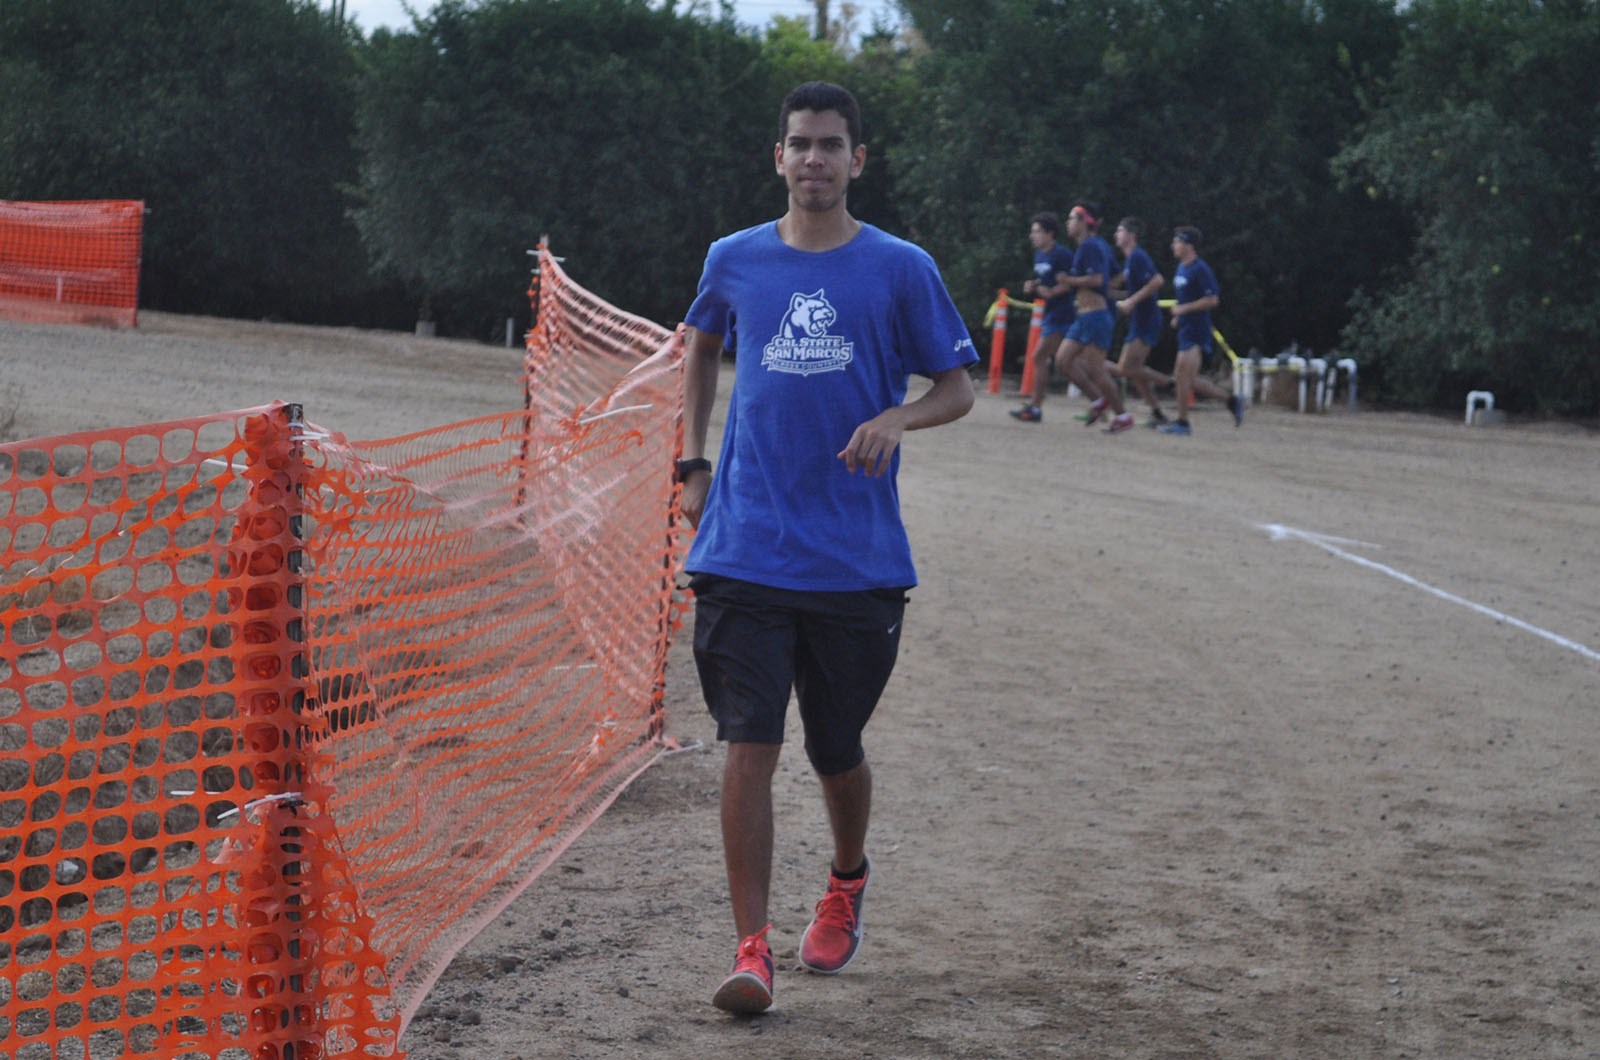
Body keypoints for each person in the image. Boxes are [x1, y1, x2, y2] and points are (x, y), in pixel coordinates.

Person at [678, 81, 977, 1016]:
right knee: (749, 742)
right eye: (800, 143)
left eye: (832, 144)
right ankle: (751, 950)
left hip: (856, 560)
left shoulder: (900, 268)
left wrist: (897, 417)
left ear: (858, 160)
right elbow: (699, 345)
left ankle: (846, 879)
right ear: (778, 157)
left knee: (834, 745)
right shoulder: (734, 258)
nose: (815, 158)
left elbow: (958, 387)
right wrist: (692, 462)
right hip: (744, 548)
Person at [1014, 202, 1134, 432]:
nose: (1068, 223)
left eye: (1072, 218)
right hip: (1083, 315)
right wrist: (1109, 293)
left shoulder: (1090, 246)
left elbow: (1097, 279)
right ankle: (1099, 402)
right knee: (1063, 360)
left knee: (1095, 369)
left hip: (1094, 315)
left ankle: (1122, 415)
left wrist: (1070, 281)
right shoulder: (1091, 246)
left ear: (1084, 222)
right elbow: (1115, 276)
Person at [1160, 226, 1245, 435]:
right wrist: (1179, 317)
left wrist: (1183, 310)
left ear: (1188, 246)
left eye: (1177, 242)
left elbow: (1212, 299)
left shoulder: (1200, 269)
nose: (1173, 246)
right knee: (1185, 378)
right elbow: (1185, 297)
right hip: (1186, 328)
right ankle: (1231, 401)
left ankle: (1183, 423)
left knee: (1182, 376)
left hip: (1197, 330)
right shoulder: (1181, 268)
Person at [1008, 212, 1077, 422]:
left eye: (1037, 231)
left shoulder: (1062, 254)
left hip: (1063, 314)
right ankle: (1103, 394)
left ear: (1050, 233)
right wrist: (1034, 285)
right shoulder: (1040, 255)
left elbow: (1069, 283)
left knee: (1039, 357)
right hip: (1051, 313)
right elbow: (1046, 280)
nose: (1032, 236)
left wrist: (1051, 292)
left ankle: (1036, 407)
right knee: (1077, 362)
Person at [1107, 216, 1174, 427]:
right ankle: (1157, 412)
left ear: (1131, 235)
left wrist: (1132, 301)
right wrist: (1114, 296)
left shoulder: (1137, 256)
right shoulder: (1130, 260)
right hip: (1140, 320)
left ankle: (1170, 383)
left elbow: (1157, 281)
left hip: (1146, 320)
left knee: (1126, 369)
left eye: (1120, 231)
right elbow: (1136, 291)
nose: (1116, 235)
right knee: (1135, 371)